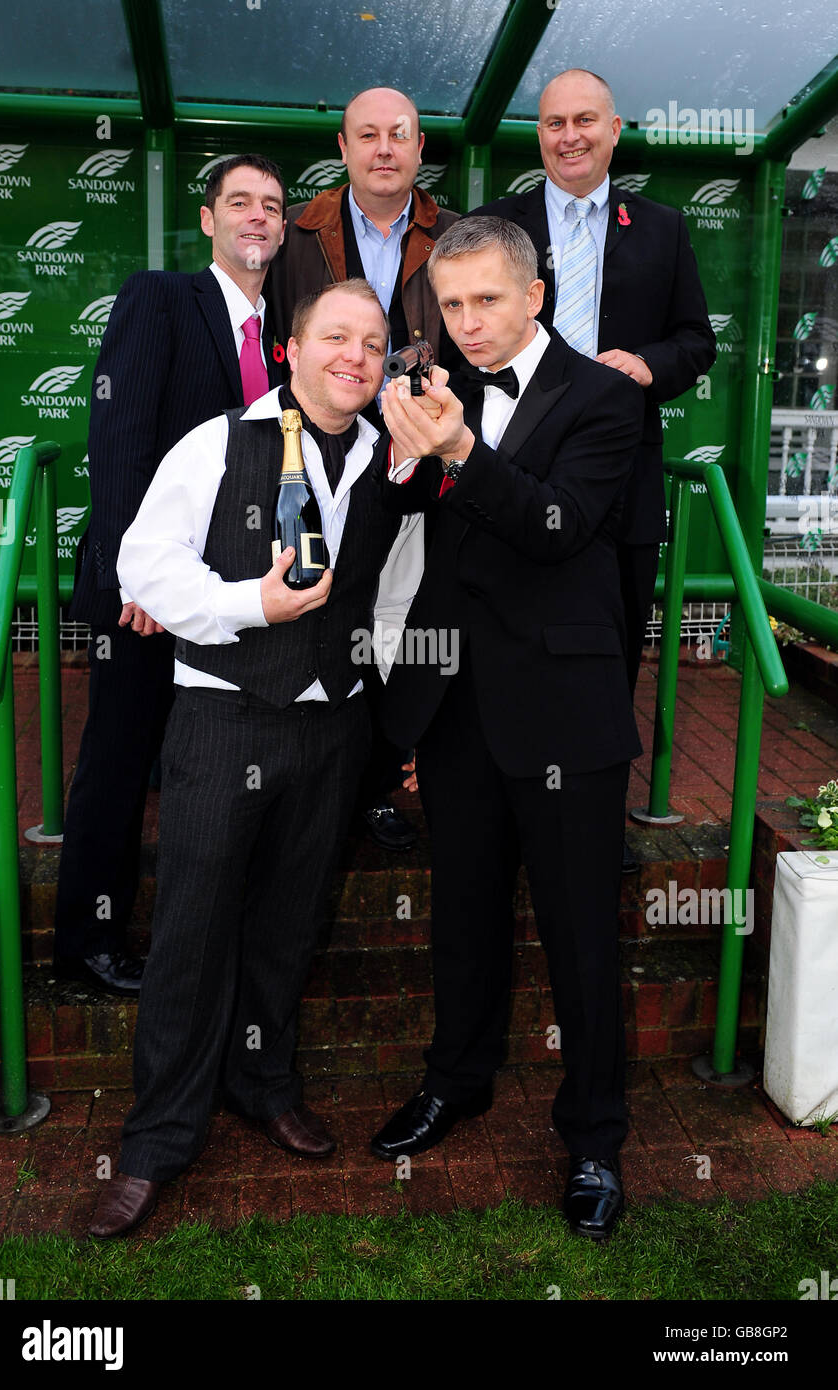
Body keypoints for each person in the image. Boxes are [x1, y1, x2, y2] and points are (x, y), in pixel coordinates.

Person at [89, 280, 403, 1237]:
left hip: (332, 725)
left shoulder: (396, 458)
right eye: (335, 336)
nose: (356, 355)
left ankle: (262, 1085)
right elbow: (143, 564)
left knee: (288, 924)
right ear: (290, 350)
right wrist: (247, 606)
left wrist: (379, 692)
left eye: (375, 342)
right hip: (225, 719)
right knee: (190, 934)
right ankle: (153, 1144)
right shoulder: (217, 440)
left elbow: (398, 586)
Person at [369, 218, 644, 1242]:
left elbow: (558, 527)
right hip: (453, 704)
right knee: (463, 917)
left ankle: (594, 1140)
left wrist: (457, 451)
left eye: (487, 299)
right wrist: (406, 462)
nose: (468, 322)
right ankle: (457, 1082)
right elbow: (407, 540)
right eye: (450, 304)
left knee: (578, 936)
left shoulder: (606, 398)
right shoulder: (433, 394)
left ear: (536, 295)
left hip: (564, 709)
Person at [53, 155, 287, 993]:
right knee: (119, 759)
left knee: (201, 766)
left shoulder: (287, 336)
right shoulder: (161, 298)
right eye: (240, 203)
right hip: (145, 598)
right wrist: (135, 580)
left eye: (271, 206)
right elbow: (116, 442)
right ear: (208, 220)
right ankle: (89, 943)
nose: (257, 217)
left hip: (223, 602)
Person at [473, 69, 716, 868]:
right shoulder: (497, 225)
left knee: (608, 659)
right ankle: (511, 812)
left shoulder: (662, 228)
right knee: (511, 639)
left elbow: (695, 342)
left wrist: (644, 367)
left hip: (620, 485)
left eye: (584, 121)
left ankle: (592, 826)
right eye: (552, 123)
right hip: (514, 479)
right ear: (537, 135)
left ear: (616, 130)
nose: (568, 136)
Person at [268, 86, 460, 851]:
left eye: (399, 136)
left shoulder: (459, 235)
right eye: (367, 135)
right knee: (321, 605)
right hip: (316, 456)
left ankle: (376, 783)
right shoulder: (294, 236)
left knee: (400, 620)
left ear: (420, 149)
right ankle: (312, 783)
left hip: (418, 458)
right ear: (342, 149)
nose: (385, 149)